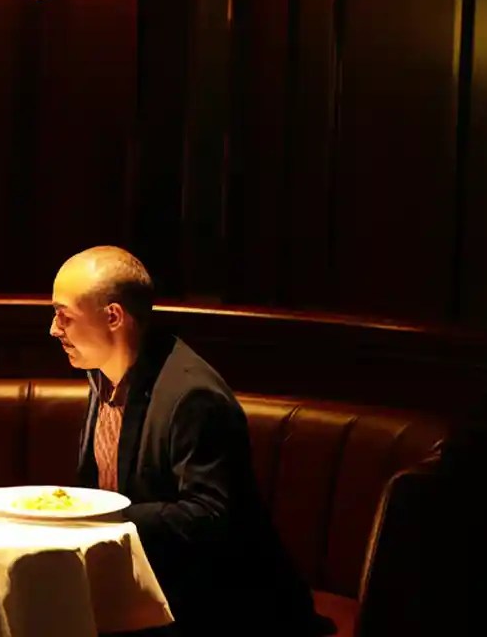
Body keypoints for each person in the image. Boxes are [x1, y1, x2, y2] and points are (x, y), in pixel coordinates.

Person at [49, 246, 330, 636]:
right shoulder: (102, 375)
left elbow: (210, 516)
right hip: (150, 585)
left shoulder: (192, 395)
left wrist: (98, 520)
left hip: (221, 607)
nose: (53, 328)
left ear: (113, 316)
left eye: (64, 314)